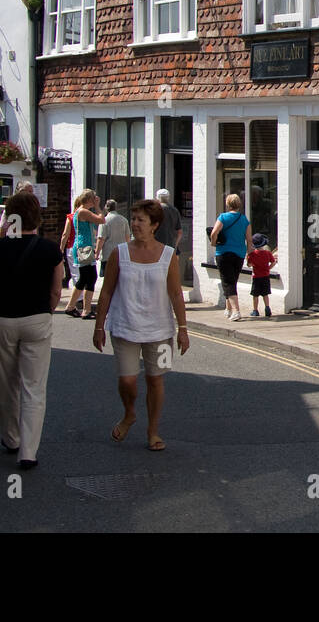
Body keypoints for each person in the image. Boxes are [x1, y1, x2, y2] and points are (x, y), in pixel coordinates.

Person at [0, 190, 63, 471]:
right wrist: (45, 310)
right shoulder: (50, 250)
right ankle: (28, 452)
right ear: (37, 217)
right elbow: (57, 291)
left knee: (7, 382)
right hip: (37, 319)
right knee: (34, 387)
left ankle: (11, 439)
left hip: (1, 320)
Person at [92, 199, 189, 452]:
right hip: (124, 326)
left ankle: (153, 431)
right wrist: (99, 326)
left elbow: (176, 294)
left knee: (156, 380)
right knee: (127, 381)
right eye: (133, 219)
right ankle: (129, 413)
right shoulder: (119, 253)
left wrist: (183, 329)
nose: (134, 224)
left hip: (161, 330)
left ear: (154, 225)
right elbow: (106, 292)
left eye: (140, 220)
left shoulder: (168, 255)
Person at [65, 190, 106, 319]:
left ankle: (72, 307)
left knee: (85, 278)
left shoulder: (80, 211)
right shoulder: (83, 211)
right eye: (94, 198)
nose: (96, 200)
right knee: (90, 277)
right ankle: (86, 310)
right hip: (84, 247)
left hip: (83, 246)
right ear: (89, 199)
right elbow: (102, 220)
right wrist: (98, 207)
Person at [208, 194, 249, 320]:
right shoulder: (244, 219)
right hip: (239, 254)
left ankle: (236, 311)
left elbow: (214, 232)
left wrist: (213, 242)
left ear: (228, 204)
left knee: (227, 281)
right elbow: (249, 239)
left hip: (224, 252)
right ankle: (228, 308)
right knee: (232, 280)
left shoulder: (223, 217)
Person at [247, 233, 276, 318]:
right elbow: (273, 262)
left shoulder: (252, 255)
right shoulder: (268, 253)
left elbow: (249, 265)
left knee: (255, 295)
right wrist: (268, 268)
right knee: (265, 294)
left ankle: (255, 310)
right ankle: (267, 309)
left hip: (256, 277)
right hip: (266, 276)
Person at [97, 199, 131, 271]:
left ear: (106, 208)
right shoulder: (124, 220)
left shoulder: (104, 221)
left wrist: (96, 253)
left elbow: (101, 239)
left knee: (108, 278)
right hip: (121, 254)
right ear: (116, 207)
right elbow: (128, 238)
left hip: (108, 255)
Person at [154, 189, 183, 254]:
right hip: (170, 247)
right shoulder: (175, 211)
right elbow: (179, 232)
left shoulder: (155, 210)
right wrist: (175, 245)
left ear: (158, 198)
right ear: (168, 198)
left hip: (156, 246)